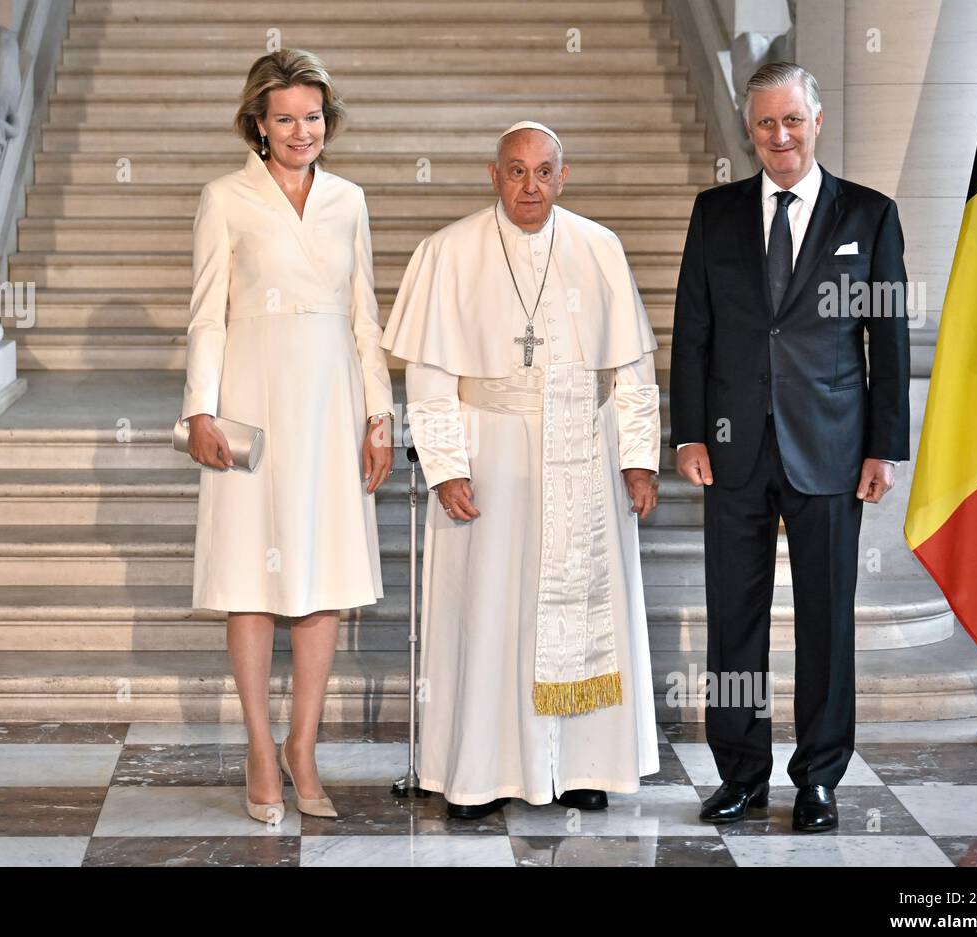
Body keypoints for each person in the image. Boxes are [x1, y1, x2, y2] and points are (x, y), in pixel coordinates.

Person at [382, 121, 662, 820]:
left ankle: (584, 765)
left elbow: (631, 370)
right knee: (489, 611)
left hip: (583, 450)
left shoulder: (600, 248)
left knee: (583, 609)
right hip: (490, 453)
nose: (530, 186)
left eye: (543, 172)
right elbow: (429, 374)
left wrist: (638, 460)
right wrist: (444, 465)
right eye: (516, 171)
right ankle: (480, 772)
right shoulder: (448, 252)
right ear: (493, 173)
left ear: (563, 178)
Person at [669, 62, 911, 832]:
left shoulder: (869, 215)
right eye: (767, 124)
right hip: (735, 451)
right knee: (734, 622)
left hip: (833, 450)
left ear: (817, 120)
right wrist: (690, 432)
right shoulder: (715, 214)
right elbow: (693, 332)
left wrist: (883, 447)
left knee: (826, 621)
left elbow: (889, 340)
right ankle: (740, 774)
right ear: (750, 129)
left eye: (793, 121)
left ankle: (818, 780)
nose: (781, 137)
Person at [180, 49, 395, 824]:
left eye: (313, 117)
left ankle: (302, 746)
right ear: (258, 125)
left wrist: (380, 416)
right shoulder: (225, 198)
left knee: (324, 574)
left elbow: (366, 315)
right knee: (250, 578)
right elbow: (208, 312)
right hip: (252, 400)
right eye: (285, 119)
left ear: (326, 122)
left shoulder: (349, 200)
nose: (301, 131)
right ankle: (259, 750)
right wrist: (199, 410)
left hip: (331, 402)